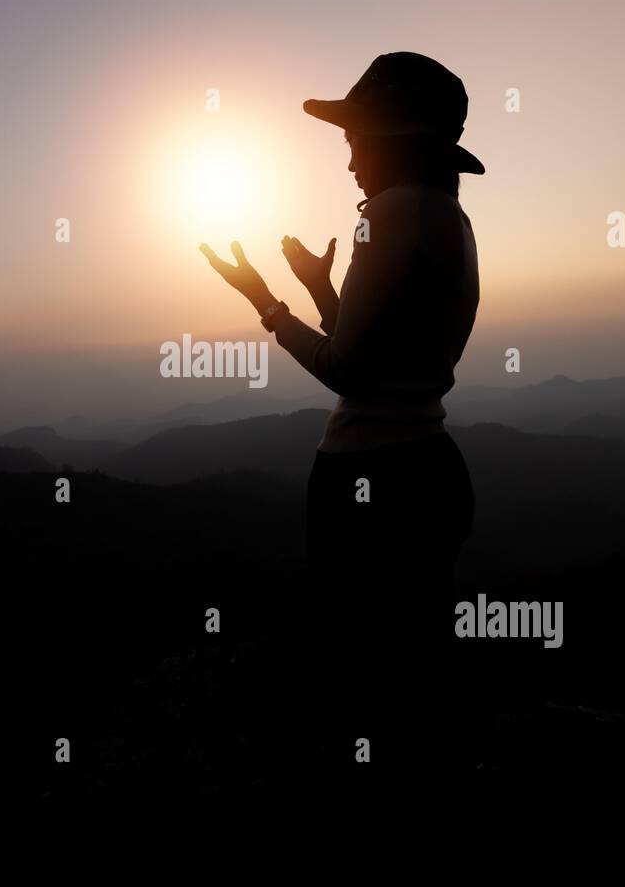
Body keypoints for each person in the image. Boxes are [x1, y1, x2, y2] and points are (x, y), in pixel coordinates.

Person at [198, 52, 484, 796]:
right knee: (414, 667)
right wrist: (324, 287)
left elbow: (348, 372)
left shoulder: (388, 217)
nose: (349, 156)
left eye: (356, 136)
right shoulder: (450, 218)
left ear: (391, 138)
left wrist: (265, 301)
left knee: (361, 675)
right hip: (431, 468)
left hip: (371, 482)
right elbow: (384, 353)